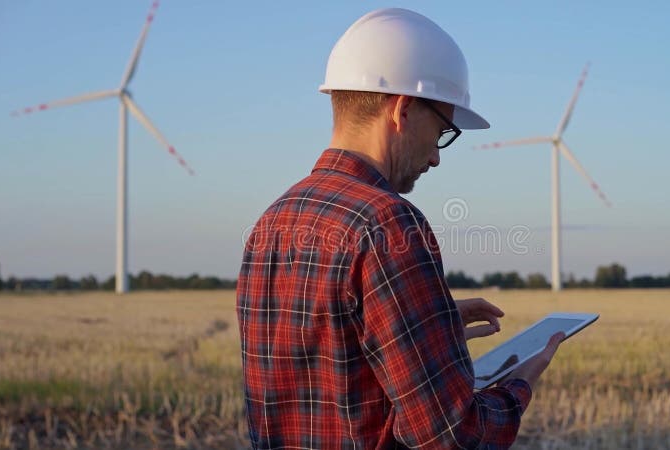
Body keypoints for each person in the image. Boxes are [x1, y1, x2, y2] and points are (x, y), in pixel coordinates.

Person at [237, 8, 564, 449]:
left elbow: (325, 375)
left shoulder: (270, 223)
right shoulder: (388, 223)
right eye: (443, 130)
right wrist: (518, 384)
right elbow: (451, 436)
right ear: (403, 109)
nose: (436, 156)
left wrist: (431, 330)